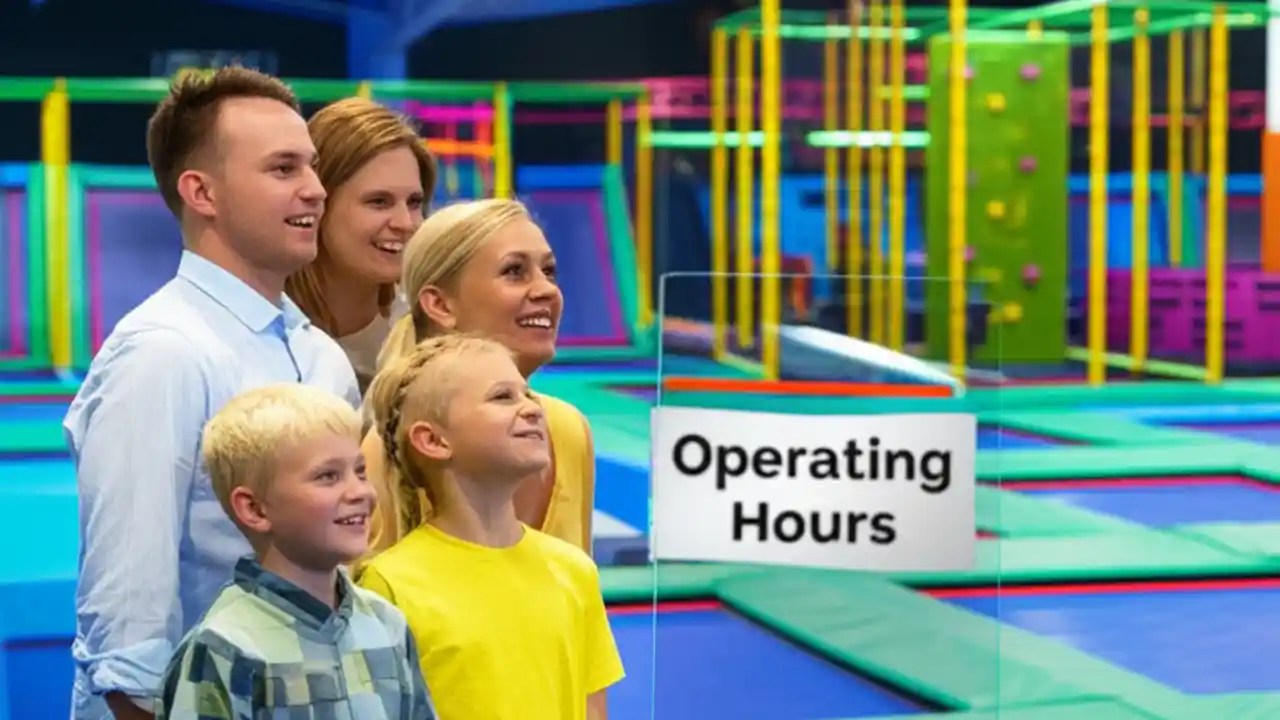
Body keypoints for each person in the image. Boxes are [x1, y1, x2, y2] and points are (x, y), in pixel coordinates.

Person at [62, 66, 359, 720]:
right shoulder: (163, 353)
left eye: (311, 167)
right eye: (283, 169)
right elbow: (127, 626)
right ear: (202, 192)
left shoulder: (321, 357)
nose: (315, 189)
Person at [357, 334, 624, 720]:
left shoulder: (573, 570)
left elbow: (592, 709)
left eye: (528, 395)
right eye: (503, 397)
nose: (532, 410)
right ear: (432, 440)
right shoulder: (388, 585)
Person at [157, 383, 437, 719]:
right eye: (328, 476)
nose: (359, 491)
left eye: (360, 471)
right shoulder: (225, 645)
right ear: (255, 510)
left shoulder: (386, 624)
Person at [360, 198, 597, 564]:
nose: (547, 290)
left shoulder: (567, 431)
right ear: (440, 305)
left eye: (549, 271)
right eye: (514, 272)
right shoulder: (390, 448)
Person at [286, 97, 438, 395]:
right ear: (317, 203)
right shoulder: (263, 334)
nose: (405, 223)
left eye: (414, 203)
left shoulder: (432, 335)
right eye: (378, 202)